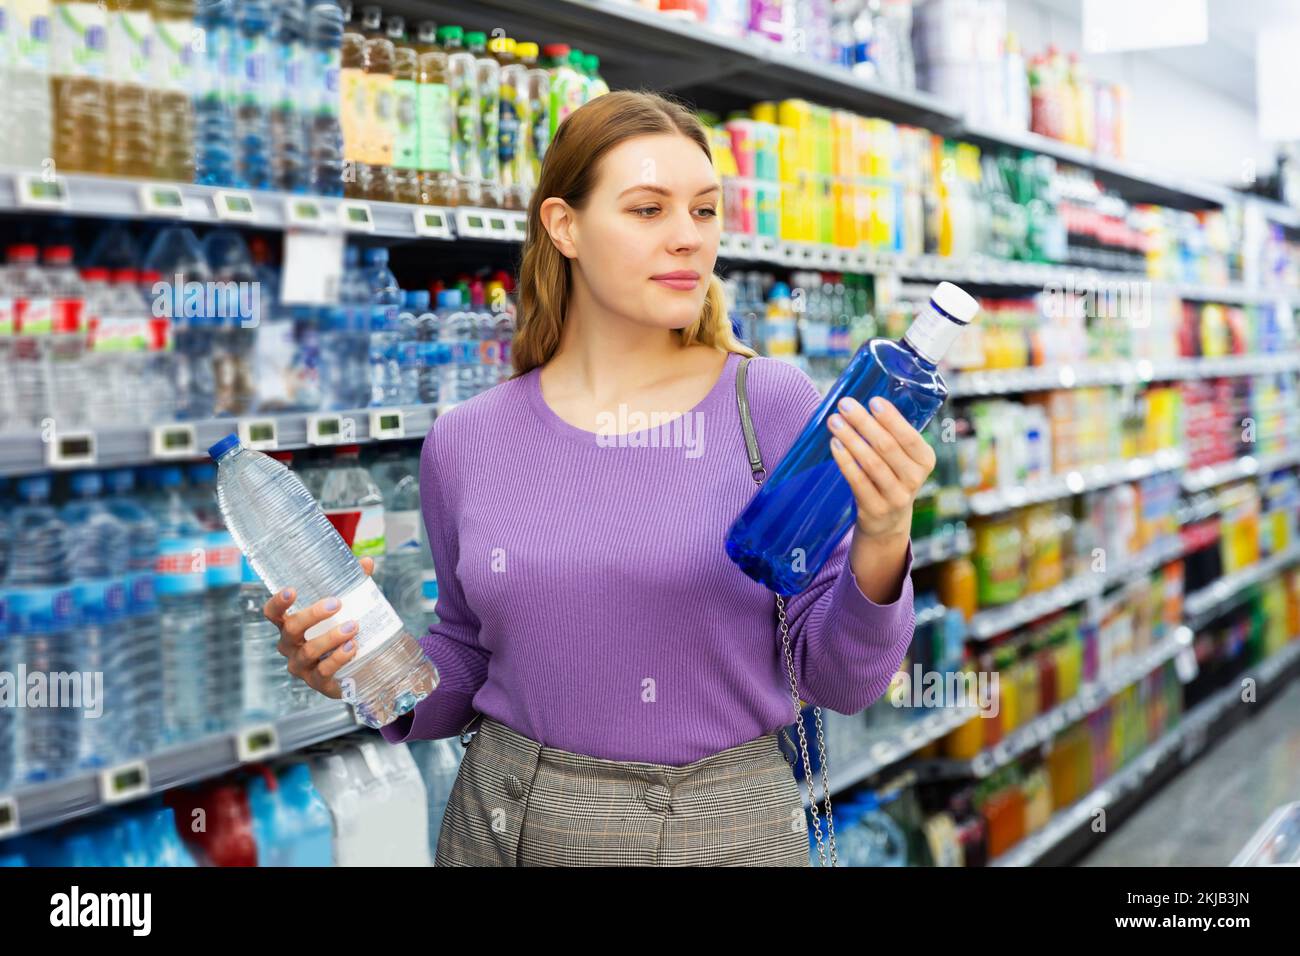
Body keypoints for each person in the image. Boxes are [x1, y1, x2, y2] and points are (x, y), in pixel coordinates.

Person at [264, 90, 931, 866]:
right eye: (648, 210)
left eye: (706, 211)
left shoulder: (772, 407)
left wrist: (883, 536)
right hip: (505, 822)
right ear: (564, 226)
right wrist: (364, 670)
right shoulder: (468, 439)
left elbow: (841, 680)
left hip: (726, 830)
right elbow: (469, 660)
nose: (688, 238)